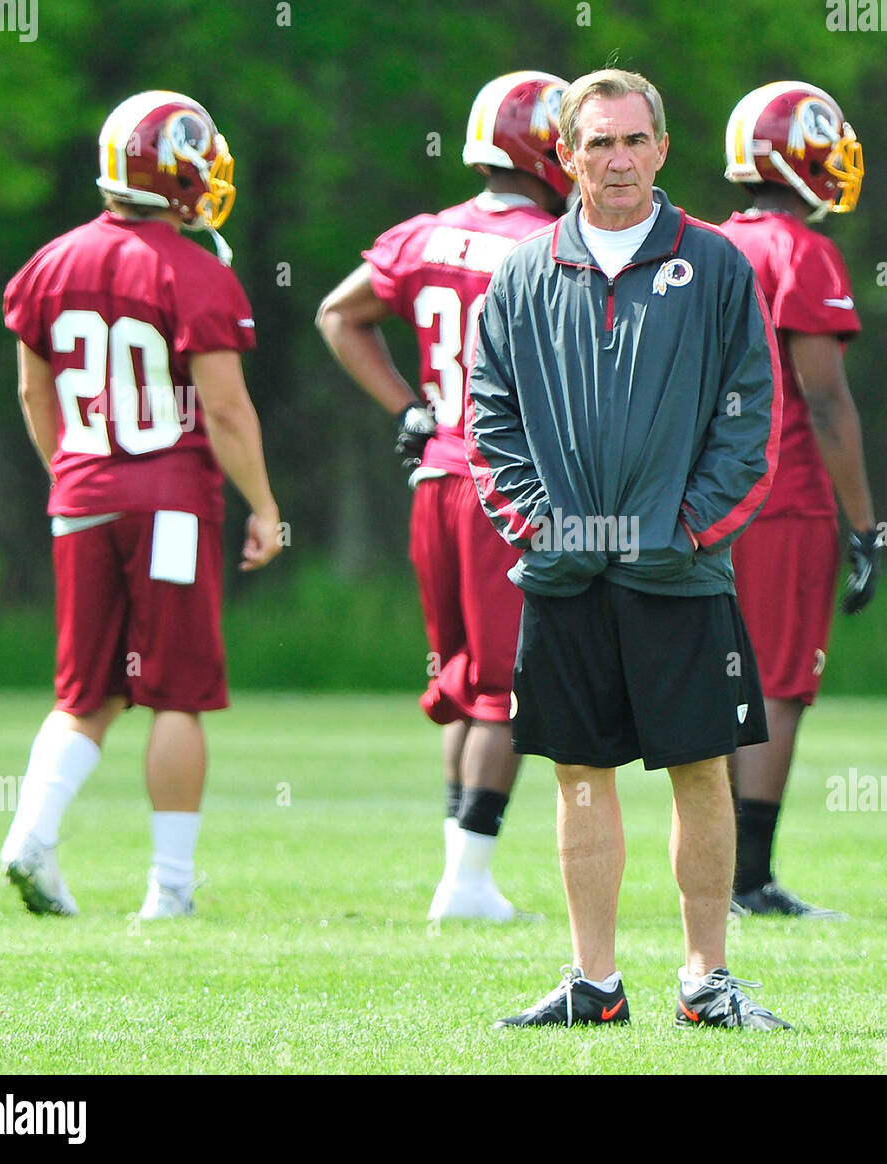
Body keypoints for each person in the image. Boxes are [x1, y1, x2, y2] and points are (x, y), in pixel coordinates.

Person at [469, 68, 790, 1029]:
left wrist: (685, 527)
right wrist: (545, 525)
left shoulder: (720, 264)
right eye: (597, 142)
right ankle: (593, 984)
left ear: (661, 148)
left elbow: (753, 424)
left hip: (679, 568)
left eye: (633, 139)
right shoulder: (524, 272)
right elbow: (490, 422)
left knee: (701, 770)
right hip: (566, 570)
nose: (618, 159)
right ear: (563, 155)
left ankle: (707, 982)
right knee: (578, 773)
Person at [0, 90, 283, 920]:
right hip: (168, 503)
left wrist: (73, 476)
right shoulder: (194, 271)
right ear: (180, 172)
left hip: (80, 491)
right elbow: (226, 411)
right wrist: (264, 503)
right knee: (175, 692)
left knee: (86, 691)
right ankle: (170, 889)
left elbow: (32, 389)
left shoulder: (49, 264)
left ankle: (31, 835)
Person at [316, 72, 572, 922]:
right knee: (509, 688)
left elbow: (337, 315)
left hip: (436, 476)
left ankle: (463, 875)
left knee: (465, 681)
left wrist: (411, 408)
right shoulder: (554, 244)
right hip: (508, 487)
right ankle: (465, 883)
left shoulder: (425, 235)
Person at [719, 81, 880, 919]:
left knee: (713, 677)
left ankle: (714, 869)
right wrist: (865, 525)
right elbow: (823, 399)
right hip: (781, 496)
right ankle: (749, 878)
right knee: (778, 681)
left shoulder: (695, 242)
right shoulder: (802, 252)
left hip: (698, 501)